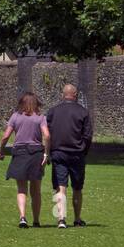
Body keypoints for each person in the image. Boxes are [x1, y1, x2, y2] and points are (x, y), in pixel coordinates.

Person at [0, 92, 51, 228]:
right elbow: (47, 136)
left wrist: (1, 151)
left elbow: (5, 137)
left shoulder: (15, 117)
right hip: (36, 153)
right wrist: (46, 154)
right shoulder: (40, 118)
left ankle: (22, 217)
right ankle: (36, 220)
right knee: (36, 190)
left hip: (20, 152)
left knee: (21, 188)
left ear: (22, 103)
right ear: (36, 103)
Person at [46, 83, 93, 228]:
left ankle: (61, 219)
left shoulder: (53, 111)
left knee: (61, 186)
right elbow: (88, 135)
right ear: (76, 95)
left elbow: (47, 133)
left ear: (62, 95)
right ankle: (77, 219)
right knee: (77, 188)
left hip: (59, 153)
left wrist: (48, 152)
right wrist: (83, 150)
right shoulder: (83, 112)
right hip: (77, 154)